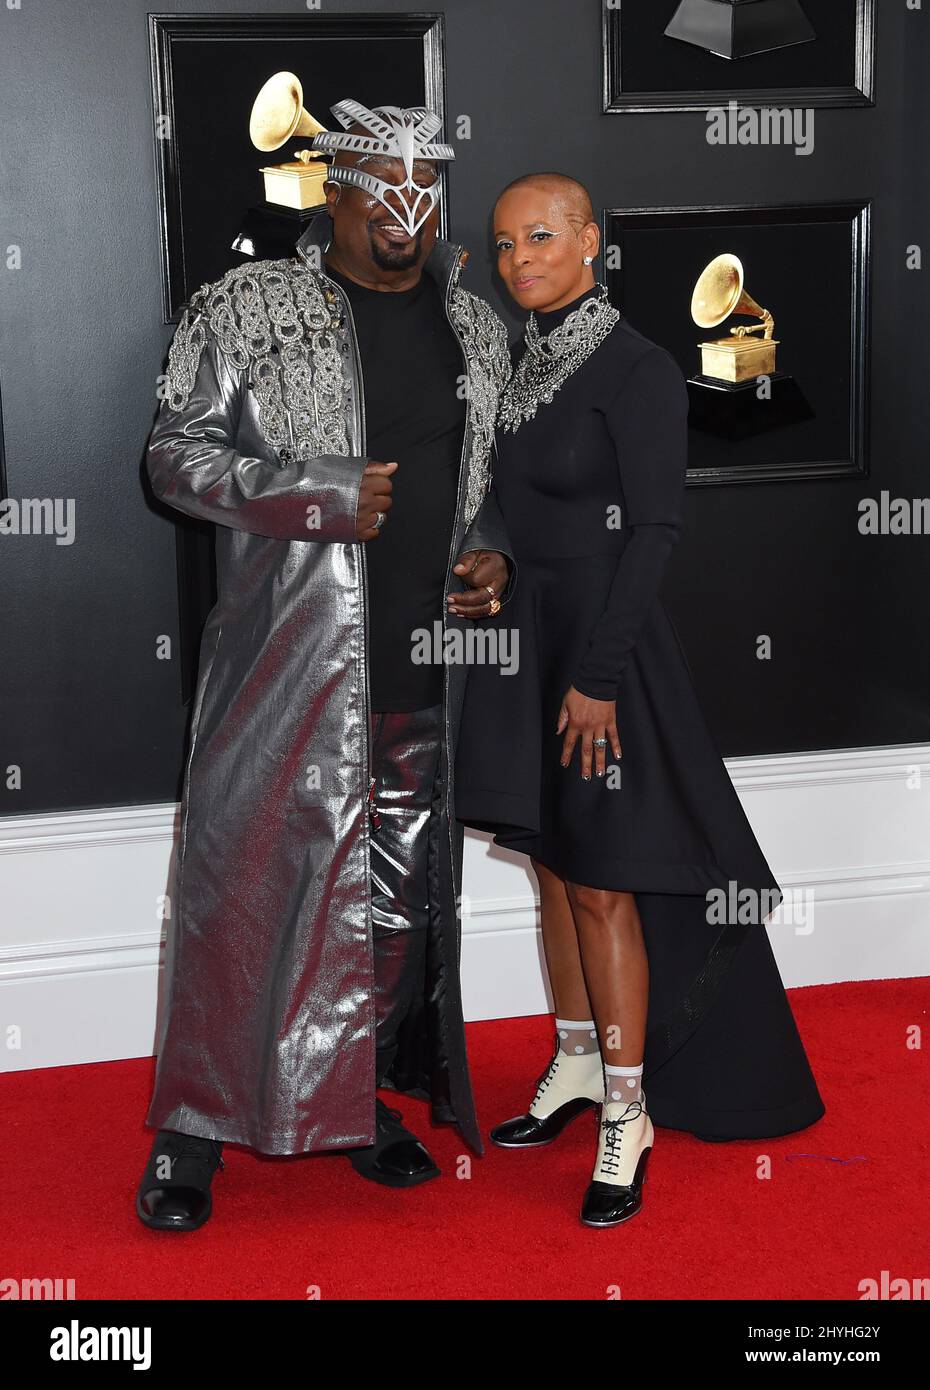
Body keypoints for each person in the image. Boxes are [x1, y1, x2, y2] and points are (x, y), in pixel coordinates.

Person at [136, 99, 515, 1230]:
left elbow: (481, 478)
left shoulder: (477, 327)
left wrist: (486, 548)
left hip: (426, 671)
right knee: (240, 892)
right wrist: (314, 488)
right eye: (384, 184)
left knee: (395, 910)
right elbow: (171, 456)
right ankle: (192, 1132)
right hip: (287, 664)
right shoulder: (246, 307)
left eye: (425, 185)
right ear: (336, 189)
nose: (407, 208)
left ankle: (359, 1106)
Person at [454, 172, 825, 1229]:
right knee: (555, 869)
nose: (521, 257)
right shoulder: (527, 370)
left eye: (541, 236)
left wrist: (598, 679)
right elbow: (519, 517)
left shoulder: (639, 368)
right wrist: (490, 563)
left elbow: (654, 531)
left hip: (603, 664)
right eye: (506, 243)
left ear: (590, 241)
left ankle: (630, 1110)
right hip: (529, 647)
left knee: (607, 881)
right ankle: (576, 1062)